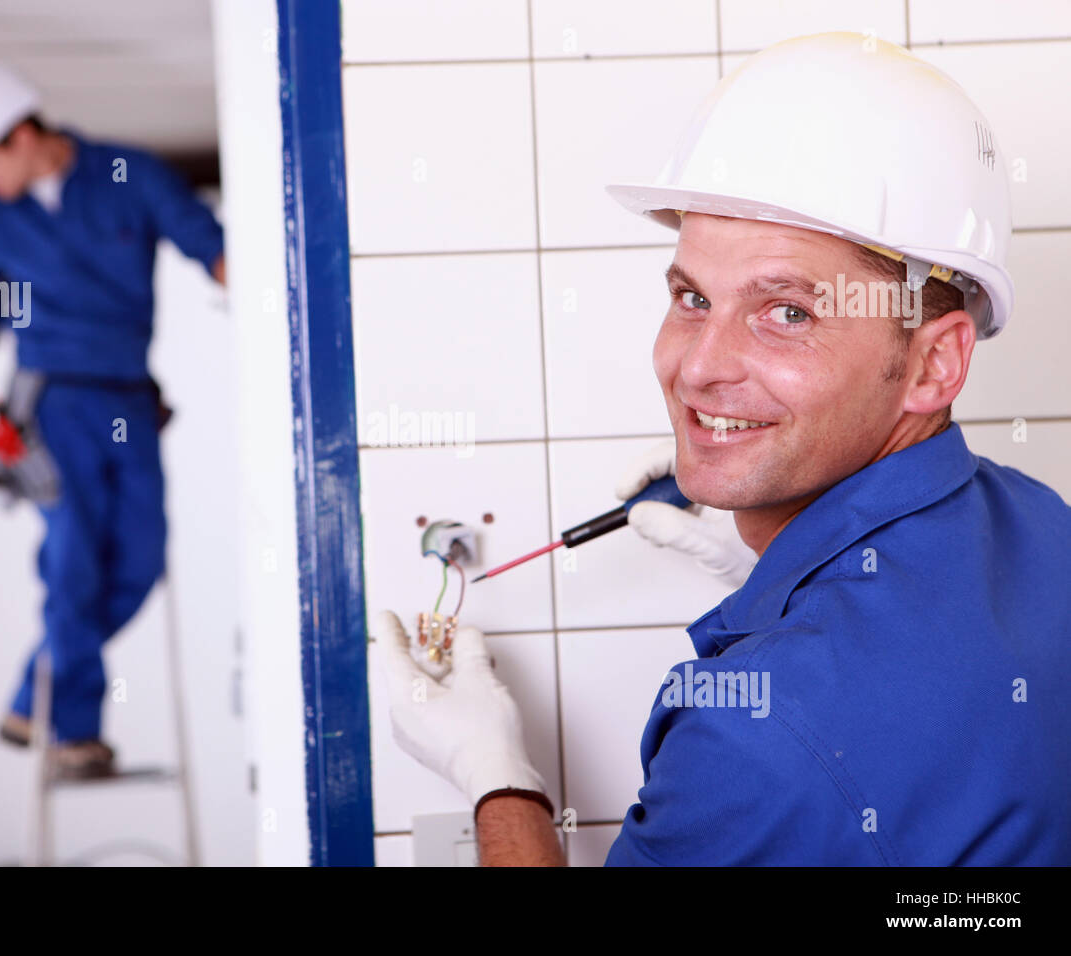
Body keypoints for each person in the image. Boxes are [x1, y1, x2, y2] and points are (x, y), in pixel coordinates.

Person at [378, 32, 1071, 865]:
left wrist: (495, 775)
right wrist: (779, 577)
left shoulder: (759, 740)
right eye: (693, 297)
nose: (697, 368)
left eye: (788, 312)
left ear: (934, 362)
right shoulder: (1038, 522)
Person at [0, 61, 226, 778]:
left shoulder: (131, 173)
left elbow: (211, 245)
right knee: (73, 563)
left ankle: (31, 688)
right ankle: (75, 733)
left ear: (23, 134)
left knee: (141, 557)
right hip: (51, 399)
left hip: (129, 397)